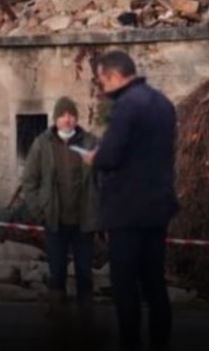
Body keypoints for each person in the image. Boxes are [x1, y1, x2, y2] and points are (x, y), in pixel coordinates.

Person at [80, 50, 179, 351]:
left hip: (126, 210)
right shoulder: (163, 104)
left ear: (112, 75)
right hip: (158, 206)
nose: (102, 88)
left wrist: (93, 158)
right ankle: (160, 342)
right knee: (154, 281)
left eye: (101, 82)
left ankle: (130, 342)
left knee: (125, 285)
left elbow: (110, 157)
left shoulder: (126, 107)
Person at [21, 96, 99, 319]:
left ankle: (86, 314)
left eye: (71, 114)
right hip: (55, 220)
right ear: (55, 119)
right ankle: (58, 314)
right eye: (63, 115)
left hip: (84, 220)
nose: (68, 119)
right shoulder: (42, 144)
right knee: (57, 272)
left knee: (85, 272)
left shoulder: (89, 142)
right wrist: (40, 210)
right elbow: (30, 181)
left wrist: (99, 209)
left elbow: (103, 179)